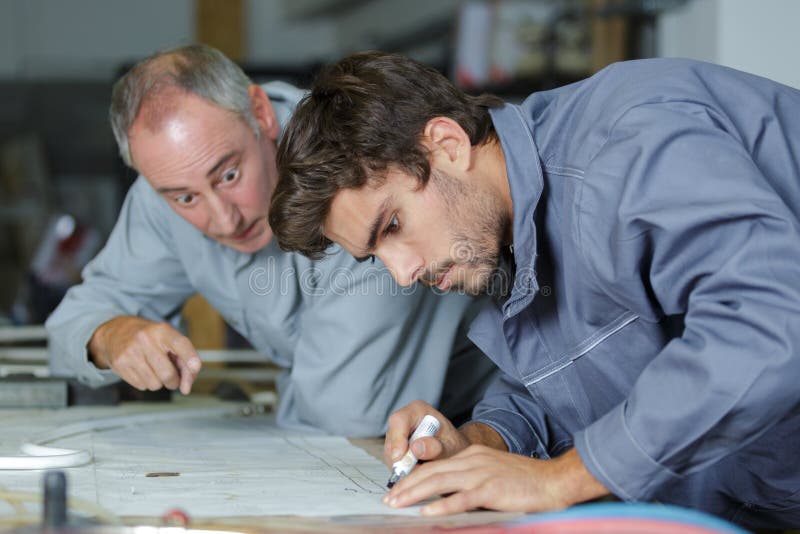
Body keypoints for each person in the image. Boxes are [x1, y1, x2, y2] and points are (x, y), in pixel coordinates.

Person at [269, 51, 800, 528]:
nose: (402, 273)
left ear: (448, 145)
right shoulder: (500, 227)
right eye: (375, 255)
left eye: (392, 227)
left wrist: (563, 479)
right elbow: (577, 370)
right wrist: (480, 442)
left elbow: (767, 323)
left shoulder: (630, 143)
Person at [45, 45, 498, 437]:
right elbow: (70, 327)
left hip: (498, 420)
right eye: (185, 197)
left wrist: (283, 392)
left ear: (260, 113)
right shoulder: (163, 195)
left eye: (229, 174)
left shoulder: (352, 168)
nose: (222, 218)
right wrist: (111, 335)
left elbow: (347, 410)